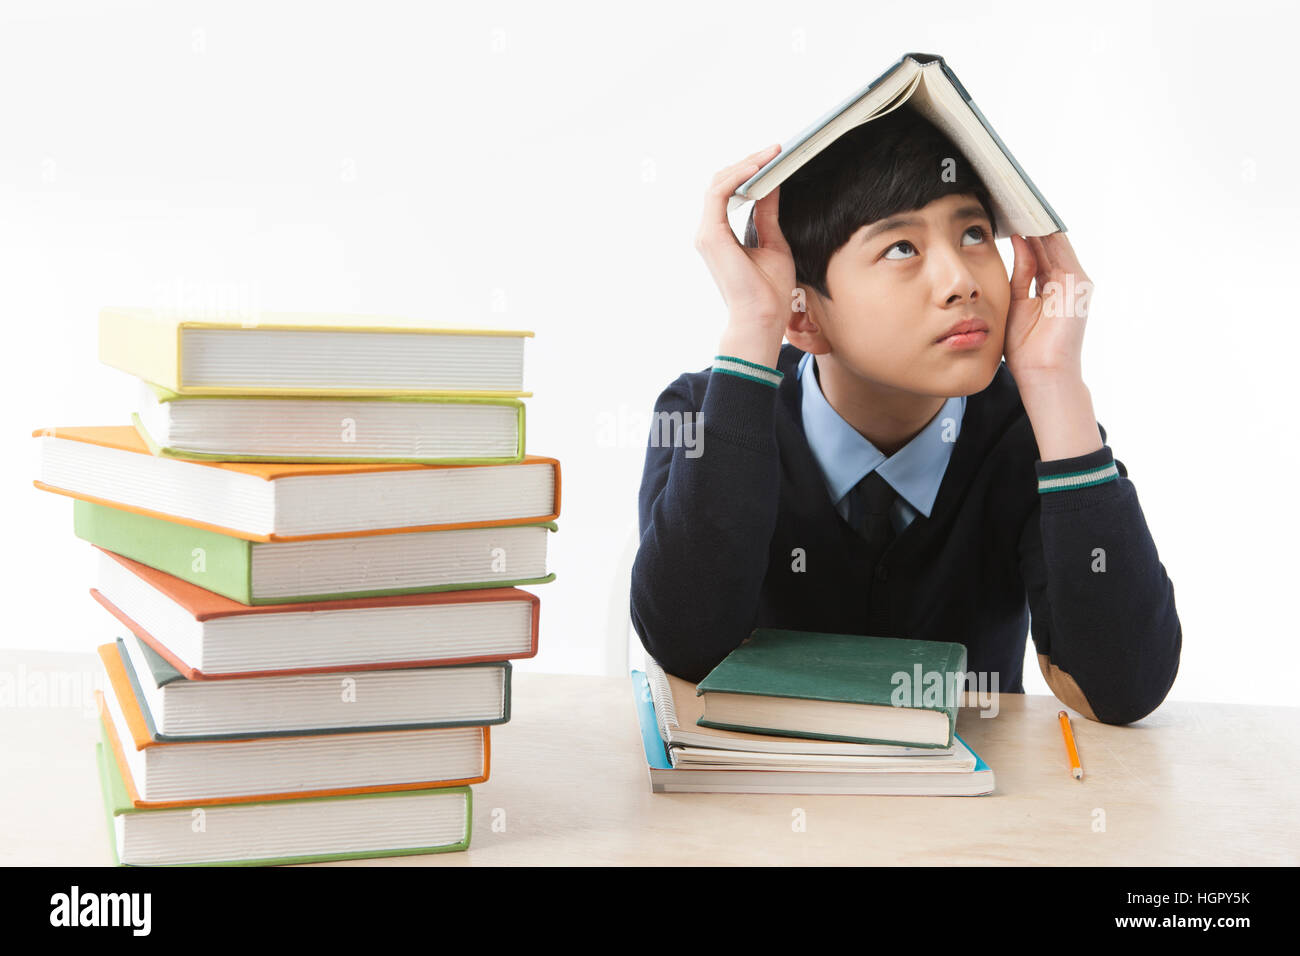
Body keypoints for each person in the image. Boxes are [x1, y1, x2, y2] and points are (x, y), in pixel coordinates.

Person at [630, 106, 1181, 724]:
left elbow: (1124, 687)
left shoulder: (1033, 437)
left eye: (973, 234)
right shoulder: (707, 411)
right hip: (760, 808)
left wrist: (1055, 385)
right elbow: (685, 644)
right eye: (901, 246)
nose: (960, 281)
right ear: (804, 315)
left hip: (979, 813)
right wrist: (754, 326)